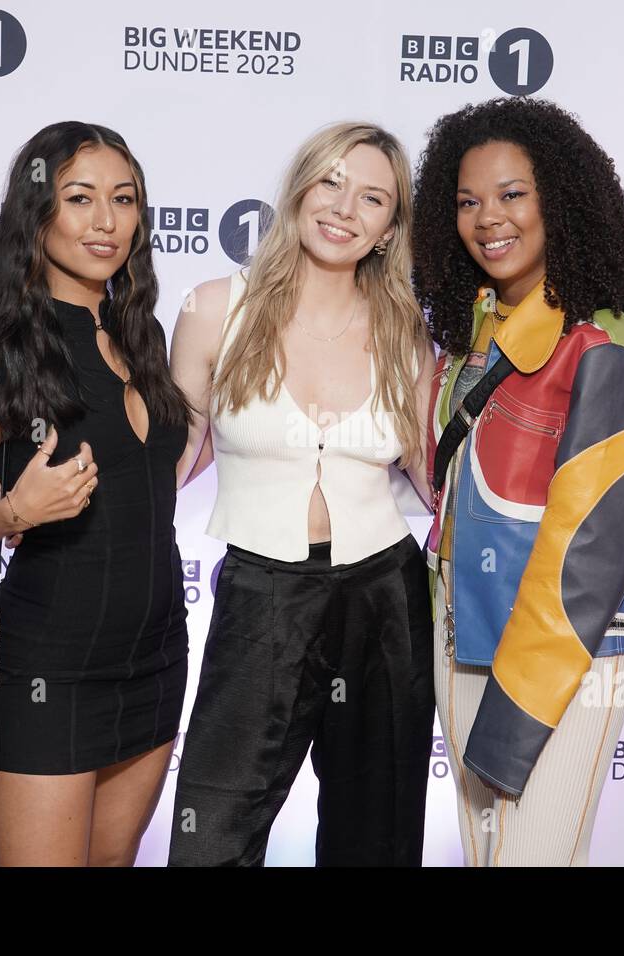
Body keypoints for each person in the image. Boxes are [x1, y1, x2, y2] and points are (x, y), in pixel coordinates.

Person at [0, 121, 190, 866]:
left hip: (158, 651)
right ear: (38, 213)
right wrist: (13, 513)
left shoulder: (143, 335)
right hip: (49, 664)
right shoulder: (4, 346)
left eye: (124, 199)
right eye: (80, 198)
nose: (106, 221)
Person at [166, 121, 437, 866]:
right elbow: (175, 452)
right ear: (300, 189)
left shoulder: (406, 334)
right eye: (332, 182)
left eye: (373, 198)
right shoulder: (215, 308)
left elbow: (430, 475)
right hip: (262, 592)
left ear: (388, 229)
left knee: (375, 836)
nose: (346, 207)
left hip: (386, 596)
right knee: (213, 830)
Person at [411, 97, 624, 866]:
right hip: (463, 645)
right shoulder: (474, 337)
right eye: (467, 201)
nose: (488, 218)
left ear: (560, 200)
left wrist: (515, 715)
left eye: (512, 194)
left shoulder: (603, 347)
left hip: (560, 665)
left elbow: (587, 562)